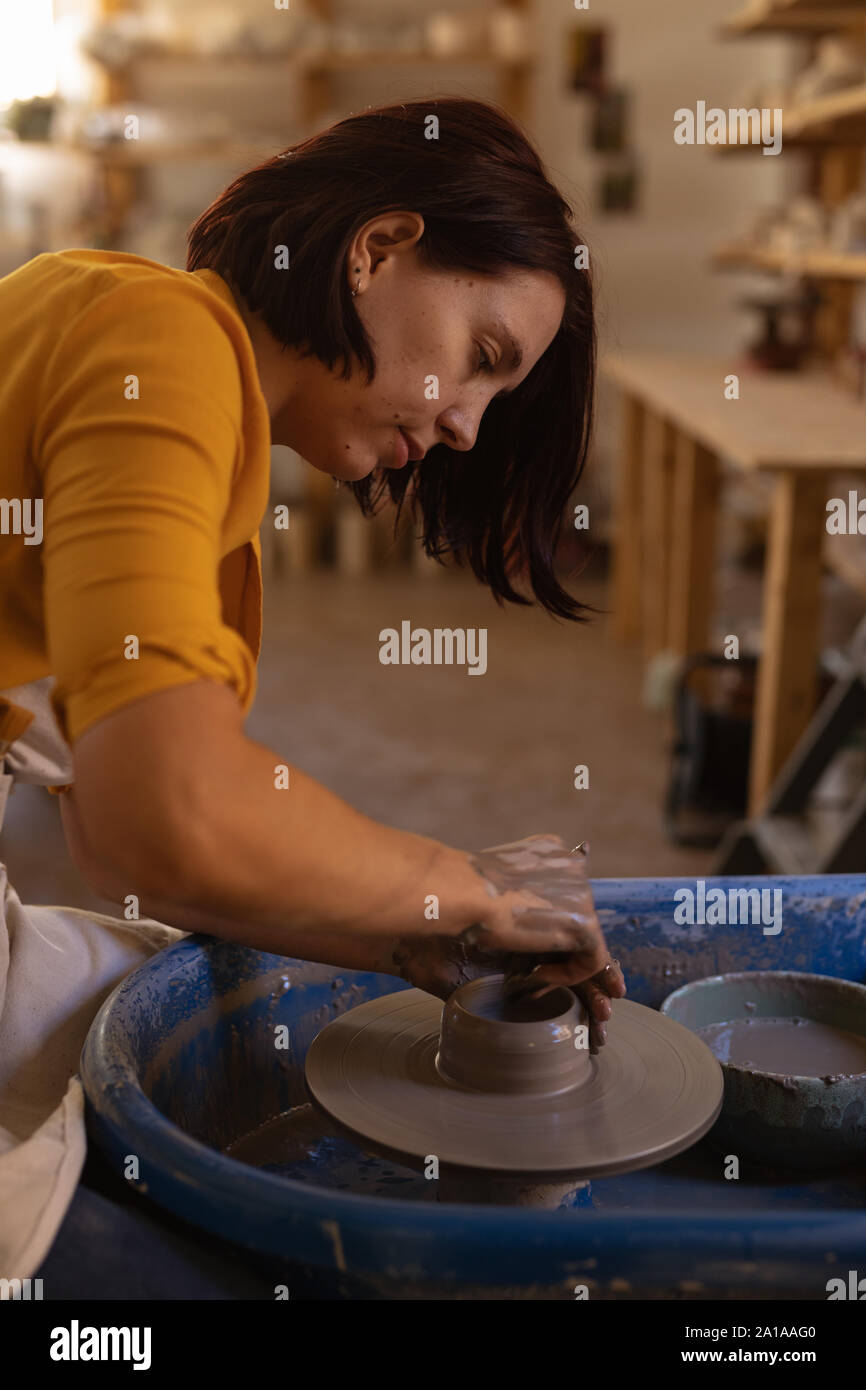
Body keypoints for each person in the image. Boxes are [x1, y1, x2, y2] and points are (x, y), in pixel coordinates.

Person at [0, 97, 625, 1281]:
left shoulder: (196, 416)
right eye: (481, 357)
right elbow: (165, 819)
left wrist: (402, 931)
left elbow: (125, 847)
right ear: (378, 247)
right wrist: (460, 886)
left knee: (185, 1018)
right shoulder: (162, 341)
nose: (464, 425)